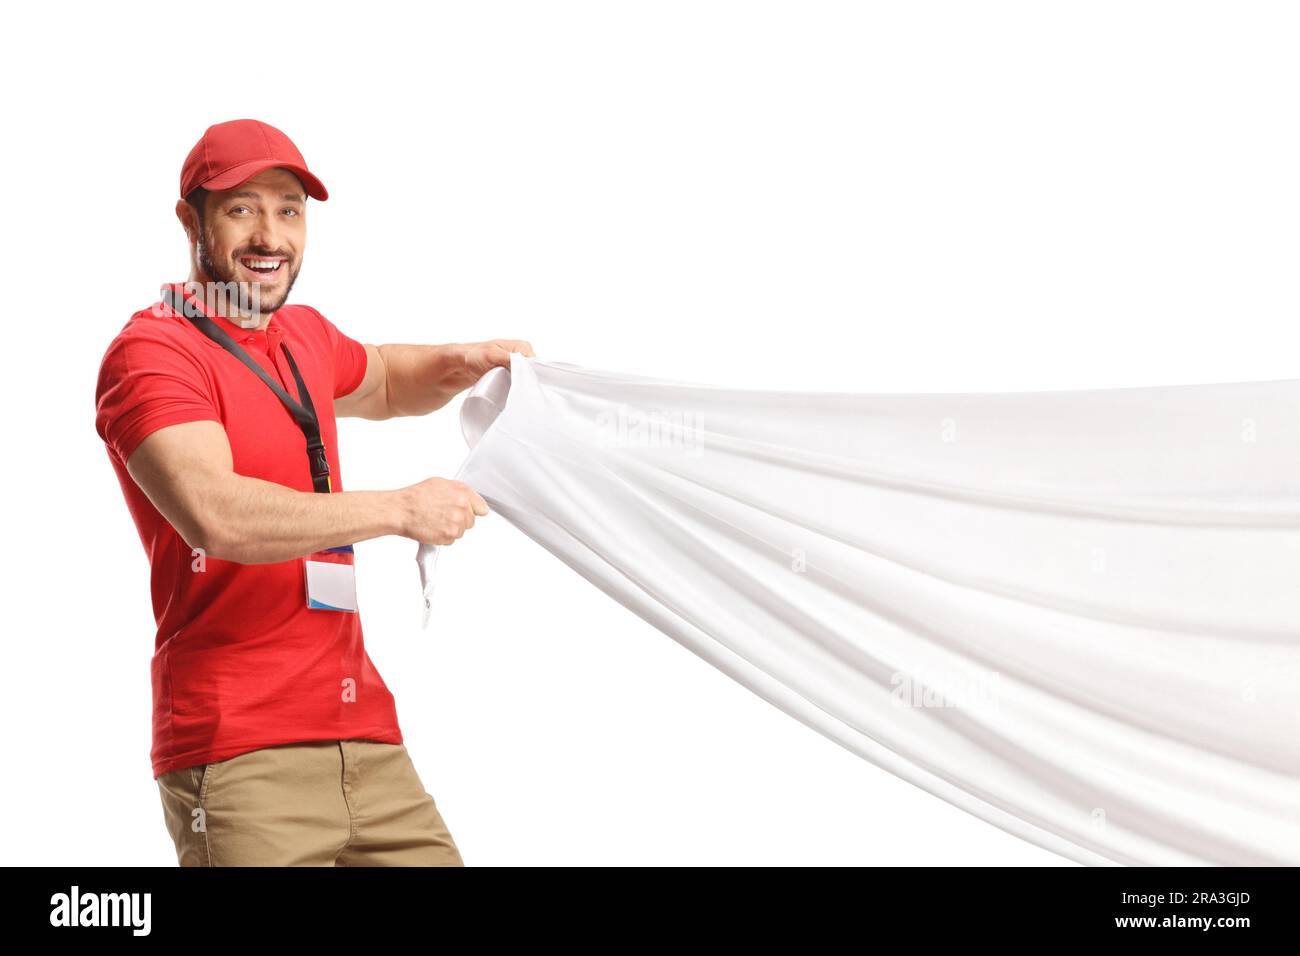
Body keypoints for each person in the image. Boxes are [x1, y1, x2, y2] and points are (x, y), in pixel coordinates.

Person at [93, 118, 534, 866]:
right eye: (242, 208)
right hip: (240, 754)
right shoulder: (153, 352)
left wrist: (463, 359)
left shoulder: (301, 335)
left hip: (366, 741)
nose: (271, 234)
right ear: (189, 219)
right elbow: (215, 514)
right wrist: (399, 509)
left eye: (290, 209)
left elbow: (388, 377)